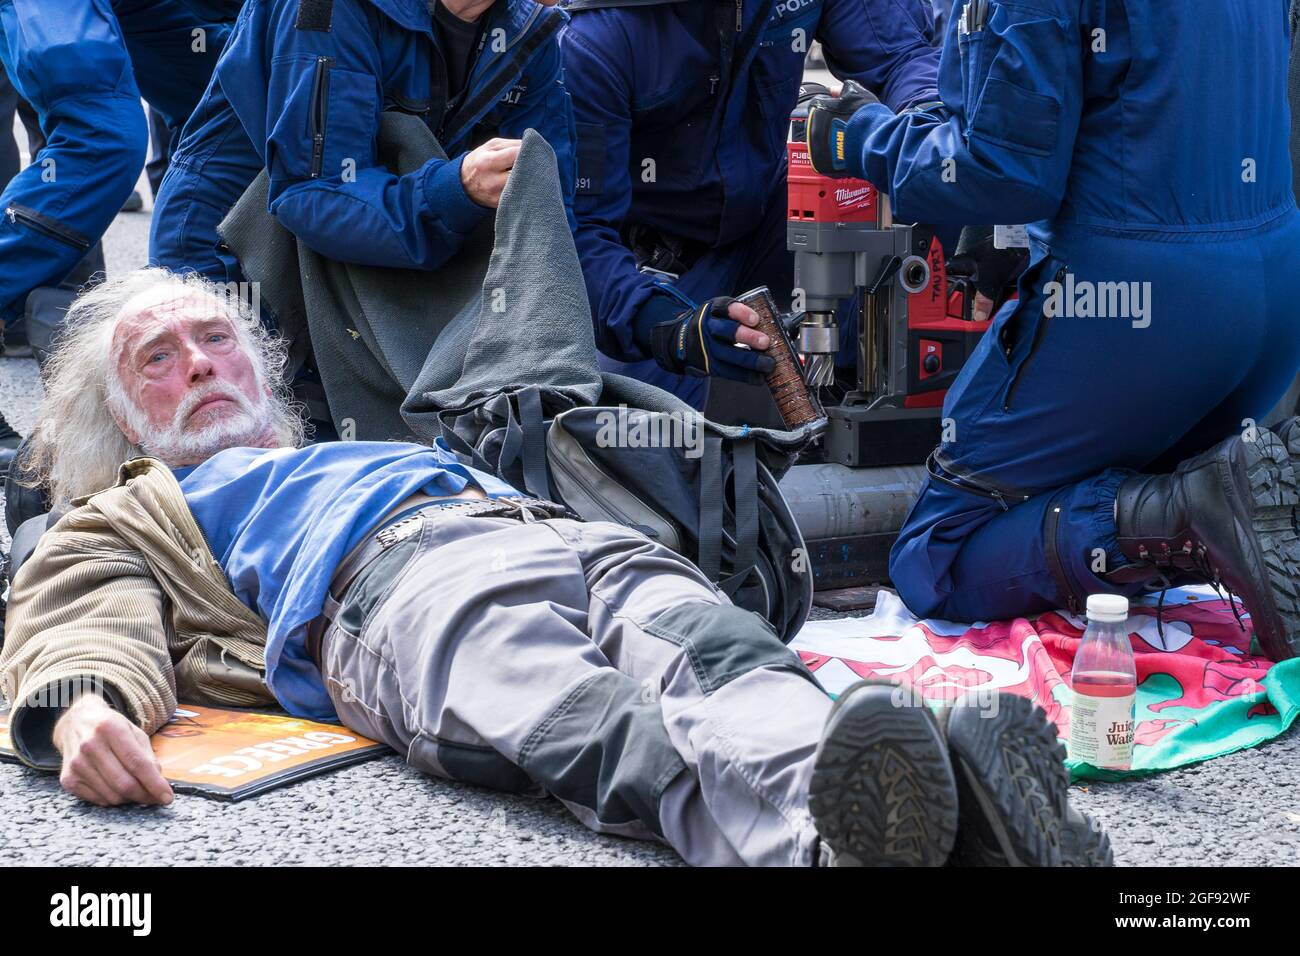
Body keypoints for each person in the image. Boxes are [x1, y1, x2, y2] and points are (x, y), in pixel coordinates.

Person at [0, 268, 1109, 867]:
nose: (200, 361)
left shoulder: (348, 438)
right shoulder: (137, 505)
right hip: (403, 586)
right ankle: (841, 842)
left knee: (728, 658)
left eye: (217, 337)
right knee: (596, 721)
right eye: (160, 357)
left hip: (563, 535)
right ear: (122, 422)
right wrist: (76, 707)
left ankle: (912, 815)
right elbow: (72, 611)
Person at [802, 0, 1300, 659]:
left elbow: (1000, 172)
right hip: (1274, 295)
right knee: (1149, 467)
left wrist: (853, 134)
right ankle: (1216, 506)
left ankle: (1181, 516)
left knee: (936, 557)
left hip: (1137, 309)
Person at [559, 0, 942, 408]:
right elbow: (577, 233)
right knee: (639, 442)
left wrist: (925, 111)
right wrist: (667, 326)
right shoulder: (594, 37)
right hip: (651, 273)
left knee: (888, 157)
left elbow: (902, 56)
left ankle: (851, 379)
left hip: (770, 217)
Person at [149, 0, 576, 284]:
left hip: (378, 286)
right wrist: (456, 190)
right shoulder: (329, 8)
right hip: (233, 266)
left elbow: (552, 216)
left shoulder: (532, 32)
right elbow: (316, 192)